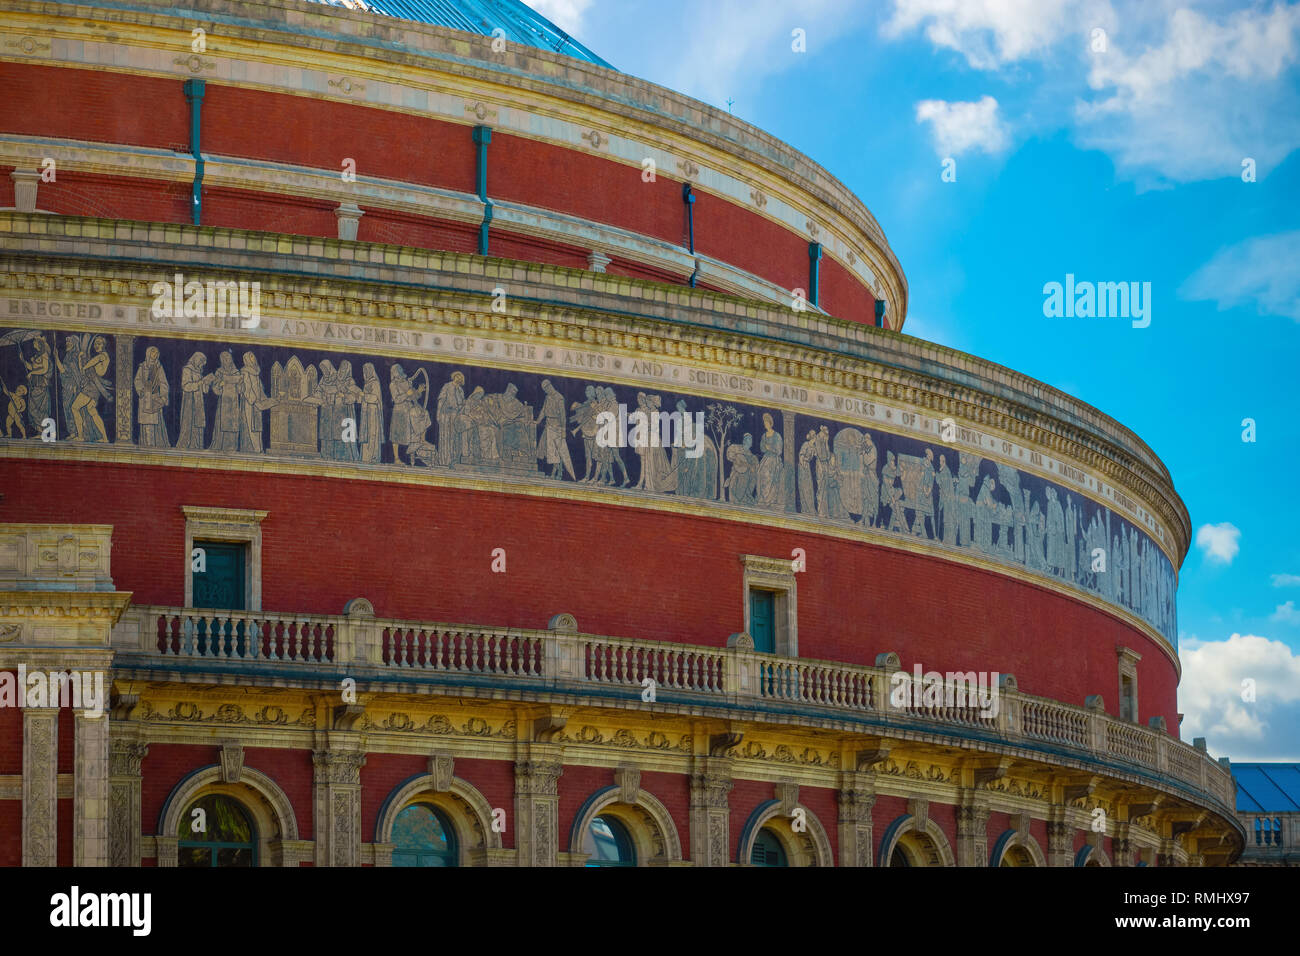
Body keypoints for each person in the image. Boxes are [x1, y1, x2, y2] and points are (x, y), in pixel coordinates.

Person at [535, 379, 575, 479]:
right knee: (549, 451)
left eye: (546, 389)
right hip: (548, 425)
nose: (545, 391)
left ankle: (555, 474)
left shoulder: (559, 398)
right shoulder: (547, 397)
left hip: (556, 427)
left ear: (550, 386)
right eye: (544, 390)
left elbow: (563, 416)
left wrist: (563, 430)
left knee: (555, 452)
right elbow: (543, 411)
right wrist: (538, 421)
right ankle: (559, 473)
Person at [134, 346, 170, 448]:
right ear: (148, 353)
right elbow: (137, 380)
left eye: (156, 353)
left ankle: (154, 444)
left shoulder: (159, 367)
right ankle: (147, 445)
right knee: (146, 422)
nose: (155, 354)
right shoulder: (142, 366)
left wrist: (163, 397)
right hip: (145, 398)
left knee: (155, 422)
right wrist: (141, 390)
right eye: (153, 352)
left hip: (155, 398)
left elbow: (163, 383)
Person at [176, 352, 212, 450]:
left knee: (198, 422)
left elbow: (204, 391)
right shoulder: (187, 369)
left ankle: (196, 446)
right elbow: (186, 386)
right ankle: (186, 445)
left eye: (203, 363)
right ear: (196, 359)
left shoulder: (198, 371)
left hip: (199, 401)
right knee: (189, 423)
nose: (201, 365)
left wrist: (207, 383)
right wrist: (200, 382)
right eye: (200, 362)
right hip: (190, 400)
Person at [21, 335, 51, 434]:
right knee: (33, 408)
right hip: (34, 385)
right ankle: (39, 431)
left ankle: (42, 432)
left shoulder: (44, 355)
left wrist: (32, 373)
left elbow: (44, 369)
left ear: (39, 343)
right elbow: (33, 368)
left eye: (34, 342)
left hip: (41, 385)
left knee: (40, 409)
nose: (33, 343)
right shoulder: (38, 355)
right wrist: (24, 361)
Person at [435, 371, 465, 466]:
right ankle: (445, 461)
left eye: (460, 378)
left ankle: (454, 460)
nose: (458, 379)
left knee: (454, 438)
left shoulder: (460, 390)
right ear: (454, 377)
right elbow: (441, 400)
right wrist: (438, 413)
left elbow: (462, 404)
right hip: (446, 415)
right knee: (446, 437)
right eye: (457, 376)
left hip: (456, 416)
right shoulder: (447, 386)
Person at [755, 413, 783, 509]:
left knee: (769, 477)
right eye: (764, 423)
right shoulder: (764, 435)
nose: (765, 424)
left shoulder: (777, 435)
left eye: (766, 423)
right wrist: (766, 448)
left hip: (774, 460)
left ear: (770, 423)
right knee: (760, 473)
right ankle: (762, 498)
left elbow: (779, 450)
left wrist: (770, 447)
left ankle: (770, 499)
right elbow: (762, 448)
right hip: (766, 458)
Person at [358, 363, 384, 463]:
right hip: (366, 411)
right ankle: (365, 457)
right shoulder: (367, 383)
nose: (365, 373)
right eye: (364, 371)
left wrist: (363, 395)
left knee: (372, 434)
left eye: (367, 370)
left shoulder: (375, 383)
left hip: (373, 412)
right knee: (366, 434)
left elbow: (374, 398)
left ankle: (372, 457)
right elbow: (363, 398)